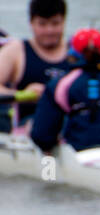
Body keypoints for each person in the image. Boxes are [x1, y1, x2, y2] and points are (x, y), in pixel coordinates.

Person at [0, 0, 67, 135]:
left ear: (63, 22)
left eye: (55, 23)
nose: (49, 30)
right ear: (31, 23)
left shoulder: (75, 52)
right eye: (42, 24)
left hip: (69, 126)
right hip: (27, 128)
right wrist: (23, 95)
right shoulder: (16, 51)